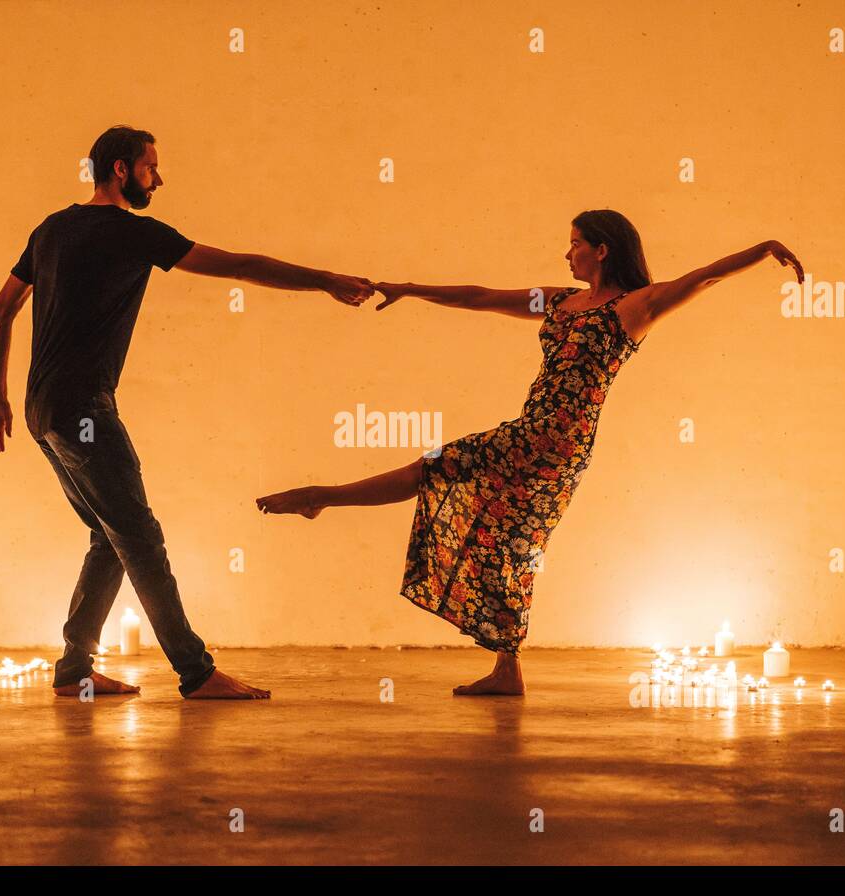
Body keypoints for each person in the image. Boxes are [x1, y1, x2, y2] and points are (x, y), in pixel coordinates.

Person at [257, 209, 803, 696]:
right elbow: (481, 296)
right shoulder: (560, 302)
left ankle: (320, 496)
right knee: (510, 541)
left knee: (440, 466)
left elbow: (701, 277)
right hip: (535, 428)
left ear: (601, 249)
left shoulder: (635, 307)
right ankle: (507, 668)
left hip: (557, 439)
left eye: (574, 244)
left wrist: (761, 250)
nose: (566, 253)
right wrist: (409, 287)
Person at [0, 125, 374, 700]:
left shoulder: (51, 229)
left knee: (107, 533)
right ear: (121, 170)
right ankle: (196, 672)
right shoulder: (132, 233)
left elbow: (1, 308)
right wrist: (324, 281)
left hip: (42, 409)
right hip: (83, 406)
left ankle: (74, 669)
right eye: (151, 169)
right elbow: (238, 266)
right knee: (139, 536)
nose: (158, 179)